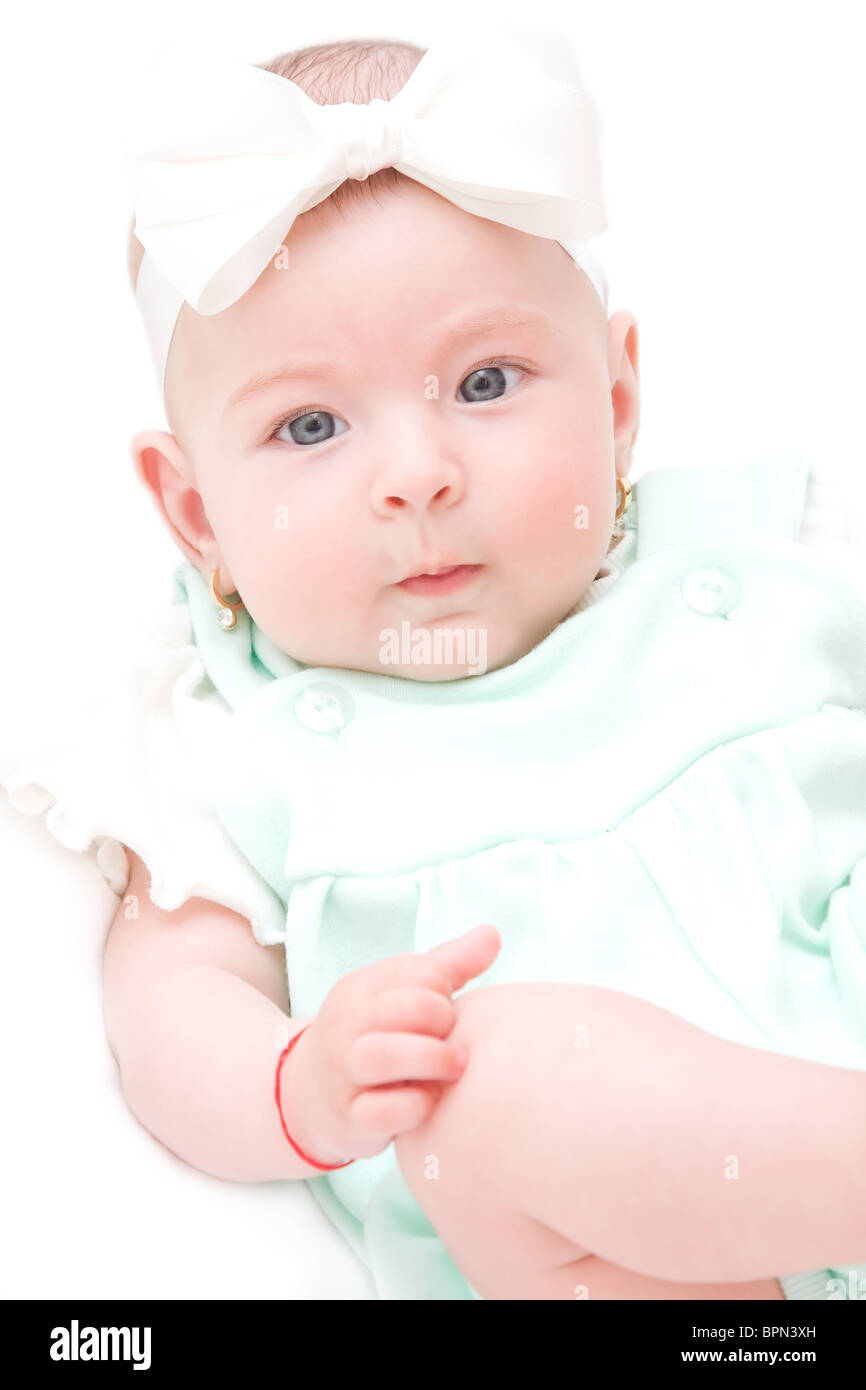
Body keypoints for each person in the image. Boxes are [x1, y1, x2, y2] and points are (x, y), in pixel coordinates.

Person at [4, 26, 866, 1300]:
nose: (416, 475)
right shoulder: (221, 735)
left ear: (616, 405)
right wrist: (298, 1081)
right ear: (194, 515)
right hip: (658, 1286)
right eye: (310, 425)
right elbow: (167, 1009)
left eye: (483, 380)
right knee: (495, 1080)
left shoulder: (754, 553)